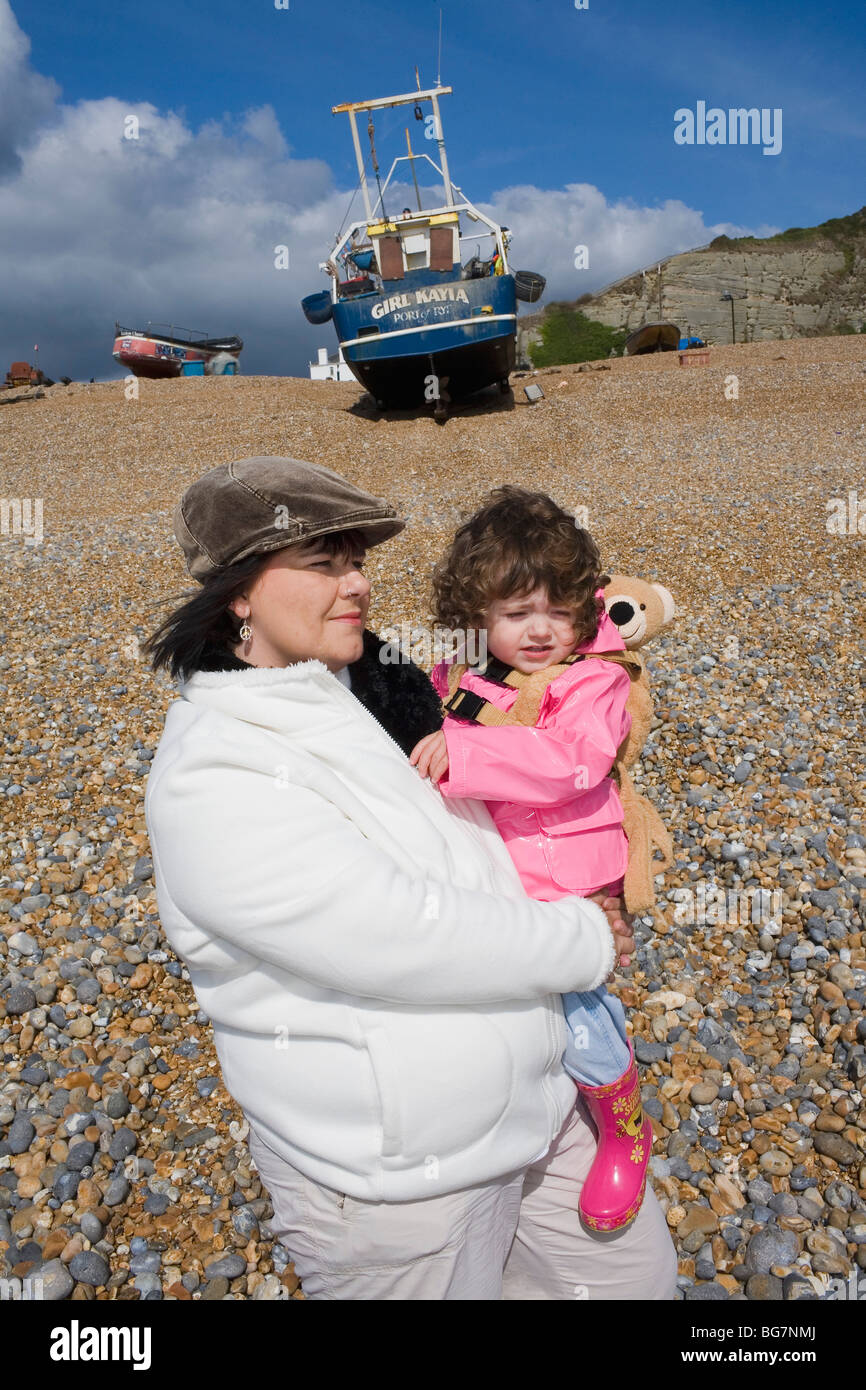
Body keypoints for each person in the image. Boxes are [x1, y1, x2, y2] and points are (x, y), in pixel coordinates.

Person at [144, 455, 677, 1300]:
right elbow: (396, 932)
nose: (355, 584)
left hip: (543, 1111)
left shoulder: (385, 689)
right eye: (323, 564)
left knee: (634, 1284)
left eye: (357, 561)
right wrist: (582, 935)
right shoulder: (215, 771)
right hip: (402, 1180)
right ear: (238, 594)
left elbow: (510, 802)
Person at [410, 486, 654, 1232]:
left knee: (577, 1010)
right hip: (491, 874)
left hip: (565, 884)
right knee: (495, 1004)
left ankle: (624, 1125)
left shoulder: (595, 682)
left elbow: (569, 762)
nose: (542, 630)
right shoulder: (468, 673)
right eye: (518, 615)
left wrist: (464, 749)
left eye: (560, 610)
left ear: (586, 608)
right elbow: (426, 724)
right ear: (478, 617)